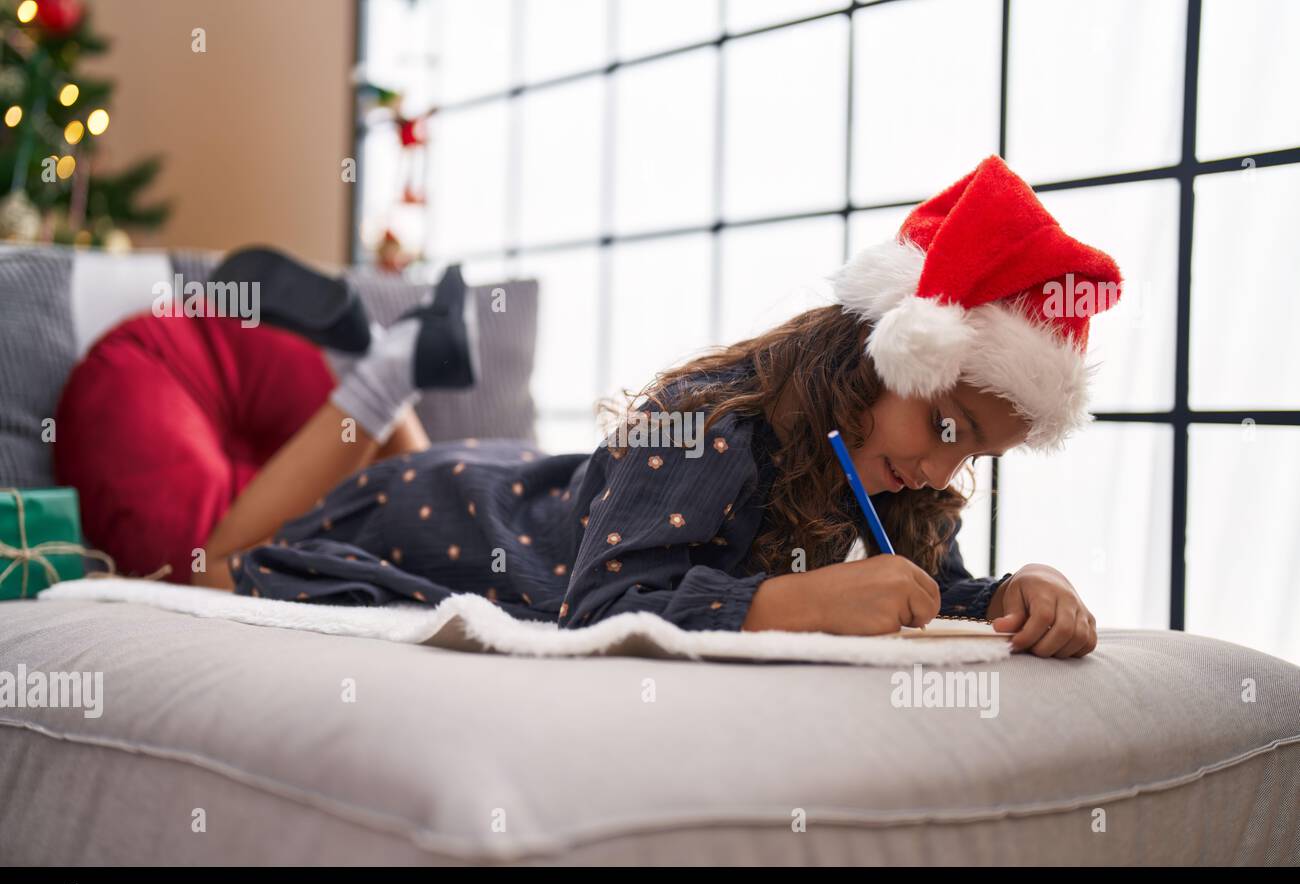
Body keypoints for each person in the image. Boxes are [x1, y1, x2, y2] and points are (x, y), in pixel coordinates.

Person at [193, 155, 1121, 658]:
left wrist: (1015, 592)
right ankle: (384, 364)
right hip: (467, 518)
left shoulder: (896, 470)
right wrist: (795, 602)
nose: (943, 469)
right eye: (948, 428)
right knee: (205, 573)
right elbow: (604, 604)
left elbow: (918, 592)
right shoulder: (711, 422)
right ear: (881, 359)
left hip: (536, 485)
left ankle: (387, 355)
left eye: (976, 457)